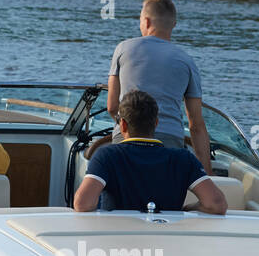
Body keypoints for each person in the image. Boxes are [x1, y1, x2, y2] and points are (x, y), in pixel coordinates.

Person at [74, 90, 227, 214]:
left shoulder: (107, 156)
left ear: (123, 125)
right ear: (156, 123)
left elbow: (83, 204)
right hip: (168, 240)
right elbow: (216, 204)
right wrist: (187, 210)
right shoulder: (183, 159)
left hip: (122, 242)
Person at [107, 0, 212, 173]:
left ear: (146, 22)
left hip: (127, 137)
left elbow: (112, 106)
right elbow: (196, 125)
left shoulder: (124, 48)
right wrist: (208, 173)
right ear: (173, 25)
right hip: (170, 143)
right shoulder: (187, 61)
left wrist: (122, 125)